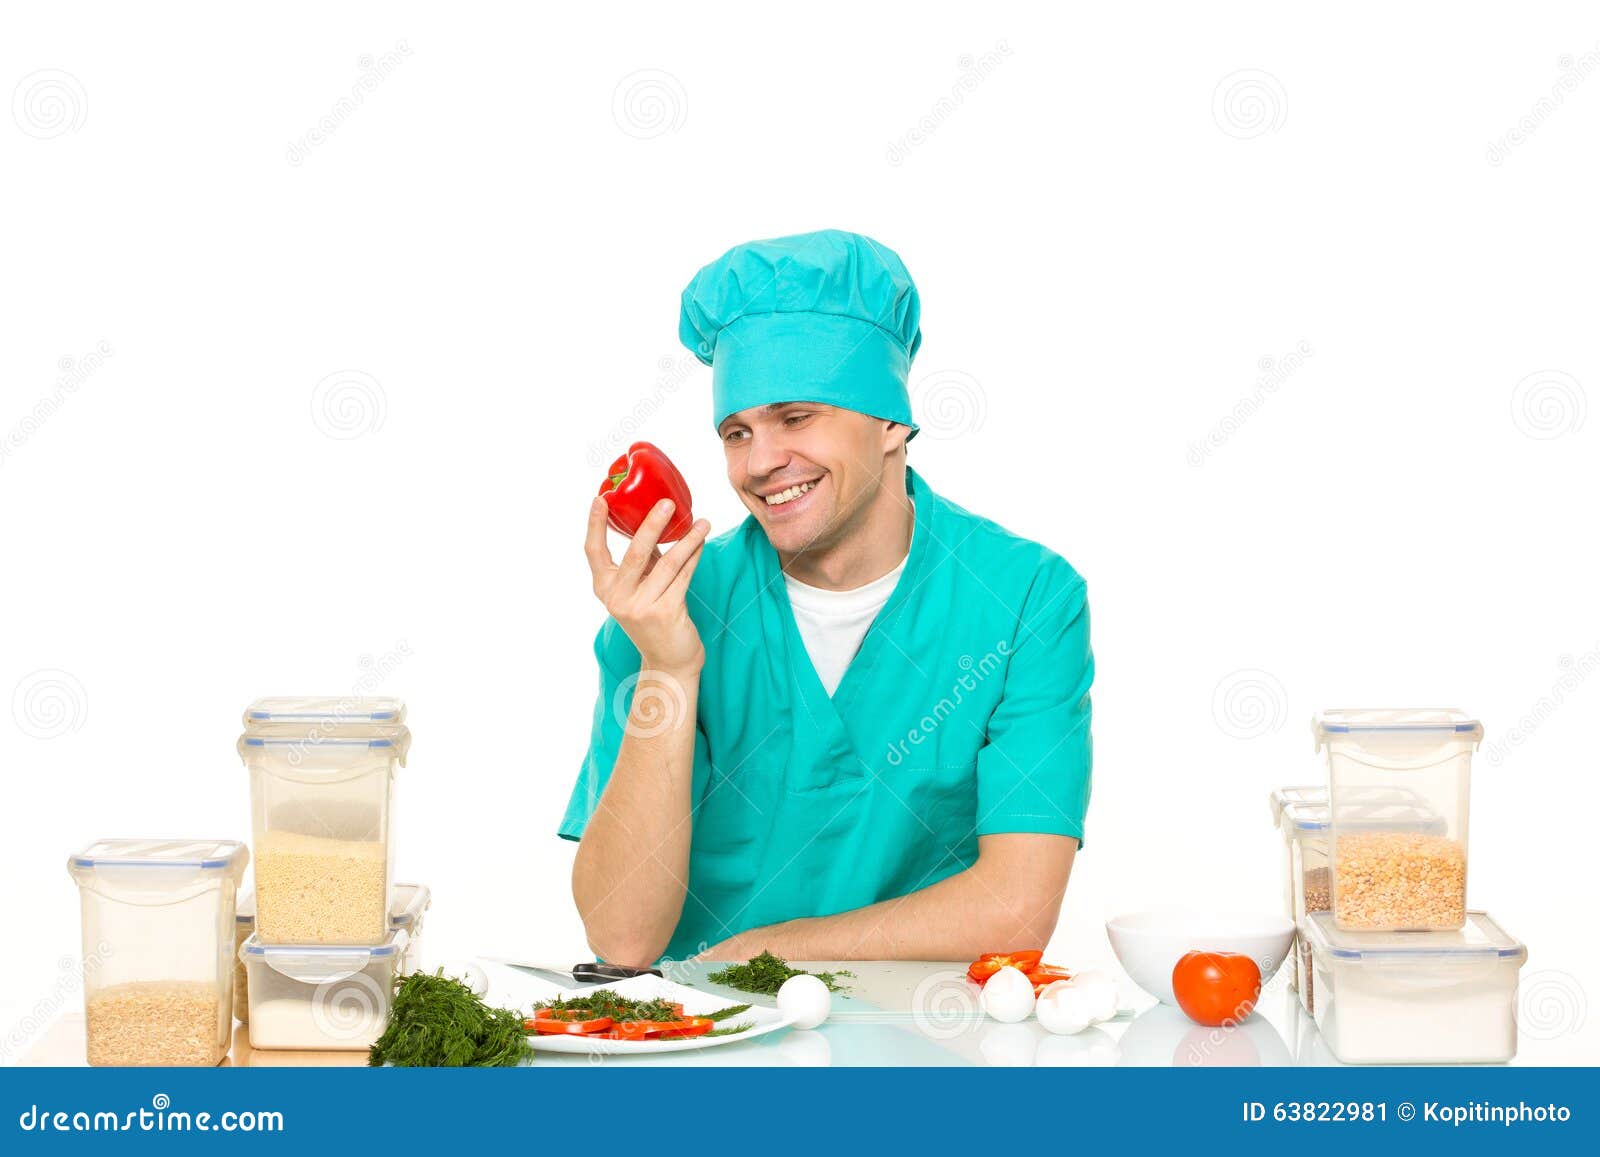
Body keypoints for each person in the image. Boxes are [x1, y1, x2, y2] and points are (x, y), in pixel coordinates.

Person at [564, 229, 1093, 966]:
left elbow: (1017, 907)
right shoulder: (668, 606)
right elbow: (622, 937)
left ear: (890, 422)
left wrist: (761, 952)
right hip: (707, 1048)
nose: (759, 462)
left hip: (926, 1045)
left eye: (795, 417)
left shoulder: (1025, 596)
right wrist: (668, 669)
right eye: (736, 431)